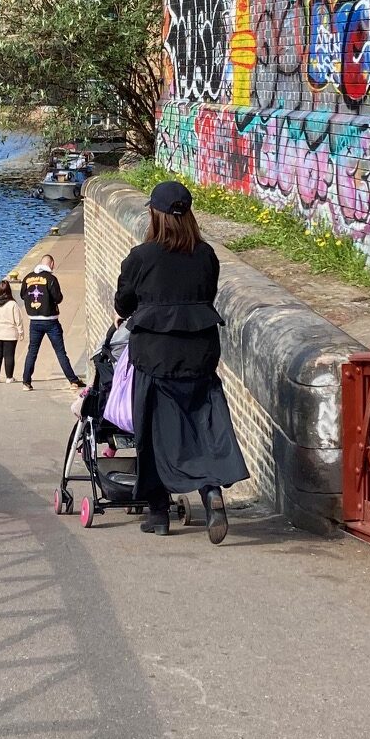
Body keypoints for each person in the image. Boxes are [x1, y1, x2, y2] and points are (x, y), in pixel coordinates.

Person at [113, 181, 249, 543]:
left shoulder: (142, 257)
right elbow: (207, 294)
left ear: (155, 214)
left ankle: (158, 513)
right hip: (199, 355)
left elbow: (123, 302)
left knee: (152, 434)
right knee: (203, 428)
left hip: (155, 356)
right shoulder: (206, 255)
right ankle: (211, 492)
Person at [20, 254, 85, 390]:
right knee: (60, 352)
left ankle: (26, 382)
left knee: (32, 351)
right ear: (52, 264)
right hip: (50, 321)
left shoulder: (27, 278)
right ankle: (73, 381)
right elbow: (58, 298)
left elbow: (22, 295)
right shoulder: (51, 279)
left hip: (34, 321)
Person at [0, 279, 25, 383]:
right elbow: (18, 320)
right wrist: (21, 333)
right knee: (9, 355)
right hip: (10, 334)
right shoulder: (12, 304)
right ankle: (9, 377)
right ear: (9, 290)